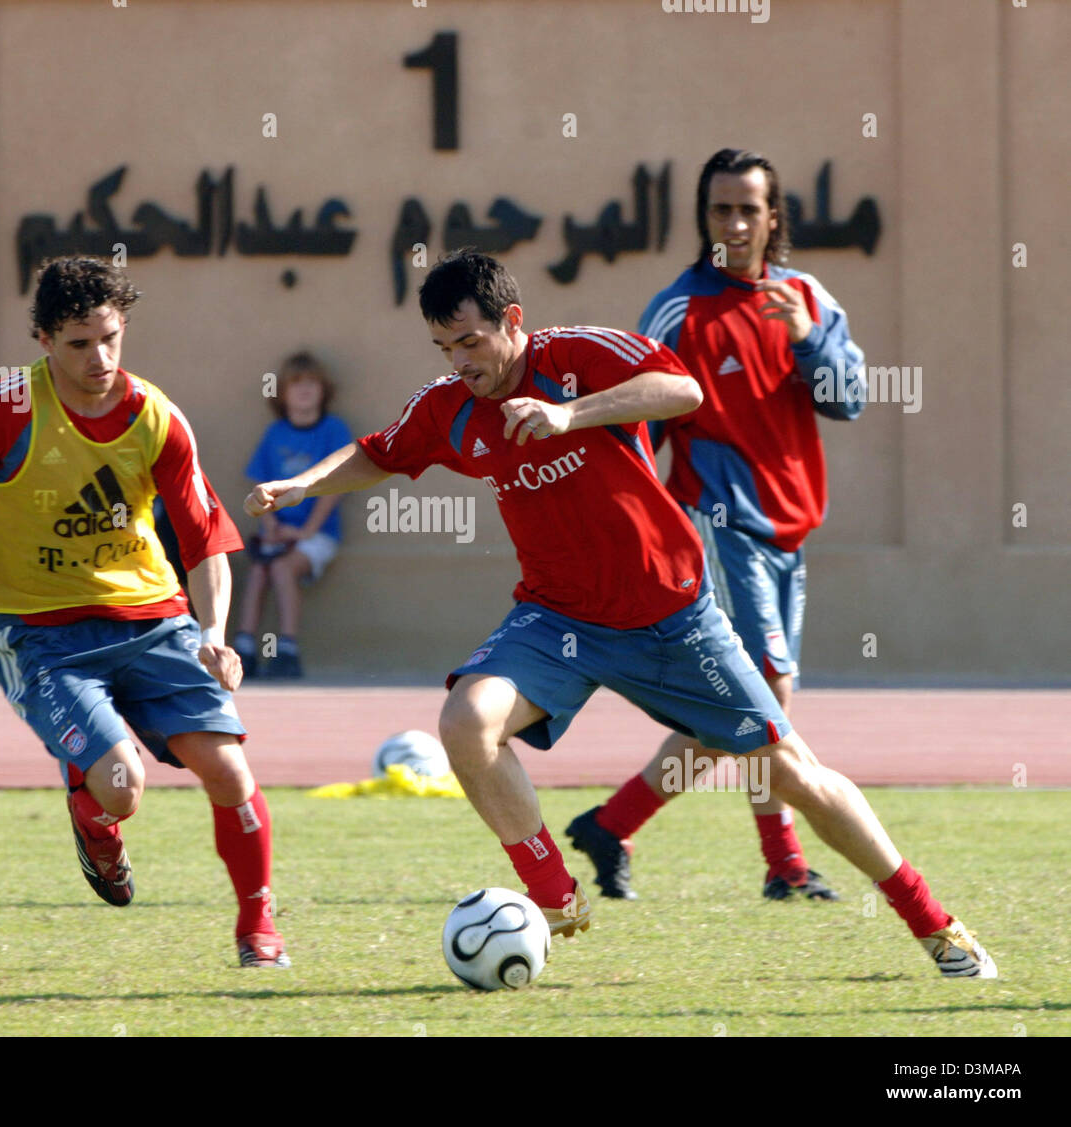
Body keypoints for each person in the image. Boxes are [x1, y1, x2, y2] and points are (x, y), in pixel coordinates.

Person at [245, 248, 997, 978]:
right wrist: (299, 486)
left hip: (673, 616)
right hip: (558, 620)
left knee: (793, 774)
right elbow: (379, 451)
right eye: (444, 347)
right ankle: (553, 893)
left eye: (470, 341)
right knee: (464, 723)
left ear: (513, 320)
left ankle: (933, 922)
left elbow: (684, 392)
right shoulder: (452, 409)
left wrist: (571, 414)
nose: (459, 362)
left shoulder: (578, 355)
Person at [0, 256, 290, 968]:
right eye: (78, 343)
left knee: (228, 770)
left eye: (110, 337)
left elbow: (206, 538)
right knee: (122, 786)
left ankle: (258, 929)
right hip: (42, 637)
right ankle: (92, 806)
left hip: (155, 620)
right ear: (42, 339)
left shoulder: (156, 416)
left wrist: (216, 634)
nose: (99, 358)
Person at [567, 148, 865, 905]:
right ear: (704, 220)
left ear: (774, 217)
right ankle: (784, 862)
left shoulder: (806, 296)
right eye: (719, 209)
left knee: (739, 707)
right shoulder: (678, 309)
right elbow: (635, 420)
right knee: (767, 690)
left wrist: (810, 340)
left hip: (791, 531)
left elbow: (849, 398)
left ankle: (613, 820)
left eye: (747, 208)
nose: (733, 223)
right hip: (718, 519)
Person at [233, 353, 353, 678]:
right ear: (282, 393)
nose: (304, 391)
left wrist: (306, 532)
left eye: (311, 383)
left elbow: (337, 485)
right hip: (279, 533)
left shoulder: (333, 430)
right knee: (259, 569)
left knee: (284, 569)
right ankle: (244, 648)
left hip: (318, 535)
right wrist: (270, 525)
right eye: (296, 384)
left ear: (323, 390)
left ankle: (287, 649)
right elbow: (262, 485)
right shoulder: (275, 434)